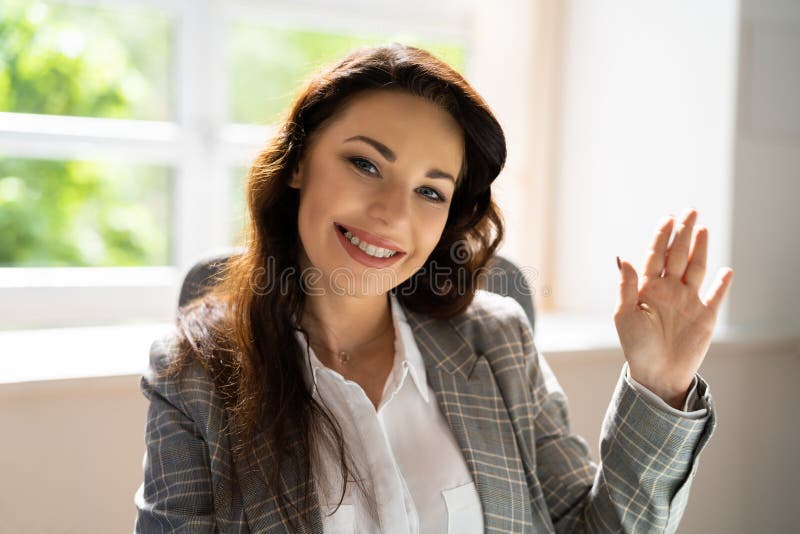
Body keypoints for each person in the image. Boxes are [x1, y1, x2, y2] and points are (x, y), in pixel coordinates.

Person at [133, 43, 733, 533]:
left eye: (430, 191)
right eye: (365, 164)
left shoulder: (497, 341)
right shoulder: (193, 375)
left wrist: (659, 385)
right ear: (297, 162)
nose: (393, 213)